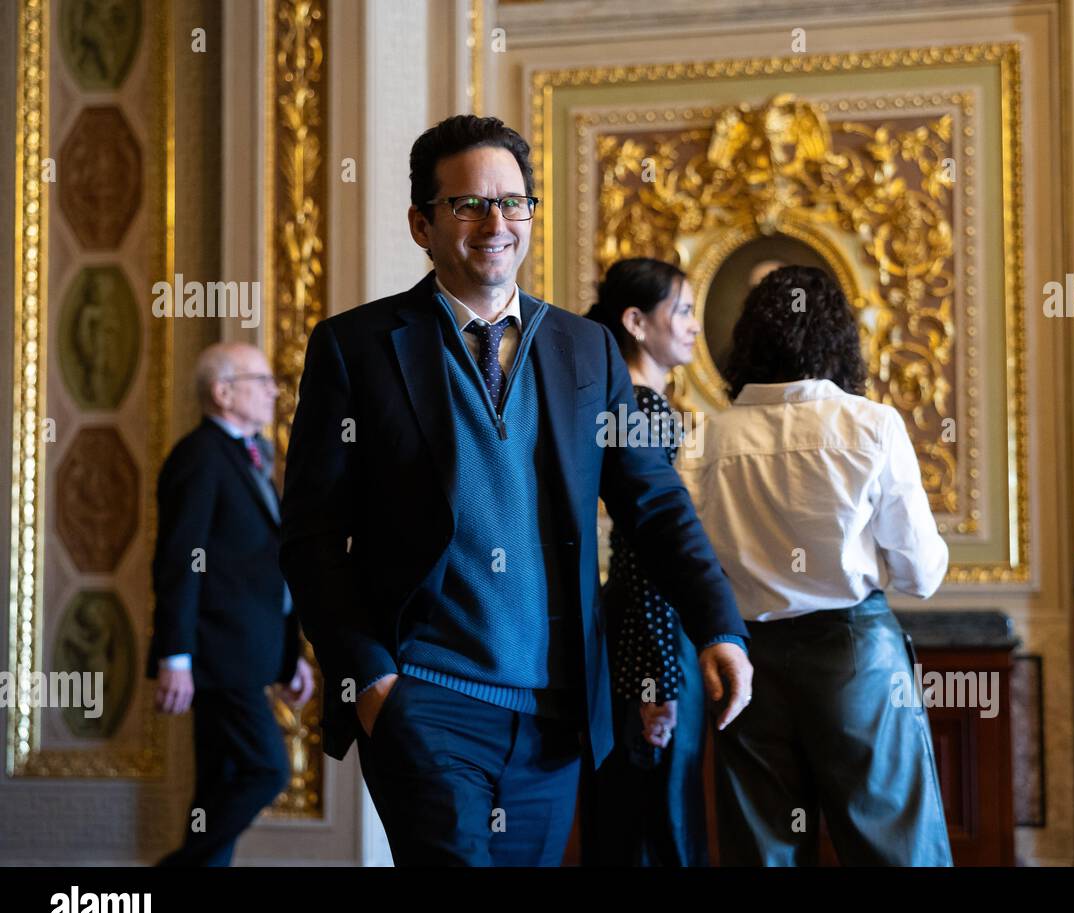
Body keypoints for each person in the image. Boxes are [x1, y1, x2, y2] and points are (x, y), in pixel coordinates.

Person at [279, 115, 753, 866]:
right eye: (468, 204)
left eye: (513, 202)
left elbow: (653, 502)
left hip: (556, 720)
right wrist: (372, 681)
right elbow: (309, 535)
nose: (495, 222)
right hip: (424, 704)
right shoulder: (356, 348)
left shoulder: (586, 349)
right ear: (421, 224)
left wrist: (718, 626)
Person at [679, 265, 952, 866]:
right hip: (856, 660)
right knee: (894, 853)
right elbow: (922, 575)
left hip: (748, 664)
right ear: (837, 339)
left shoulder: (704, 439)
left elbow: (693, 565)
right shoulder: (870, 425)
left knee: (762, 854)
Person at [149, 342, 313, 866]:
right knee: (267, 769)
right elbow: (179, 562)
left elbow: (264, 568)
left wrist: (290, 659)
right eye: (260, 380)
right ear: (223, 393)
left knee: (219, 779)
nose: (273, 391)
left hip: (248, 654)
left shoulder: (251, 456)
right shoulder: (200, 457)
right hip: (220, 658)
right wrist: (175, 655)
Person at [580, 258, 712, 866]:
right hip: (651, 643)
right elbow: (646, 559)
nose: (692, 325)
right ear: (636, 321)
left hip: (629, 640)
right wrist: (657, 678)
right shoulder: (645, 409)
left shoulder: (633, 404)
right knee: (659, 831)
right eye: (682, 310)